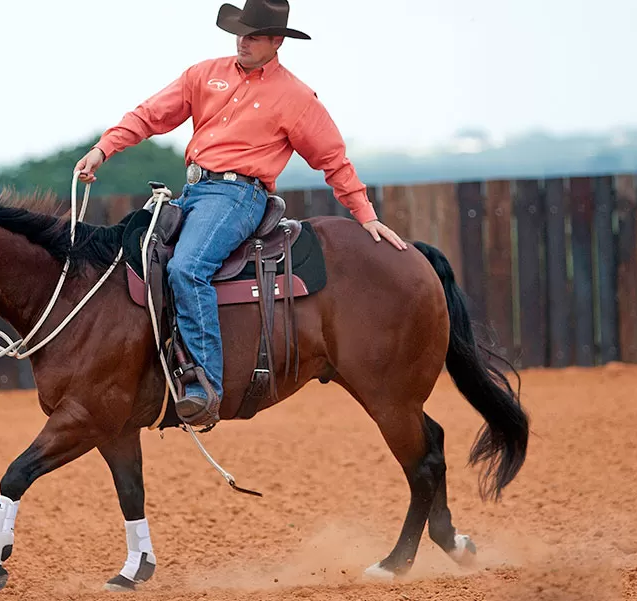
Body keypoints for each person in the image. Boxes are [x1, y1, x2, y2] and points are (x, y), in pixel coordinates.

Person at [75, 0, 407, 428]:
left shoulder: (296, 98)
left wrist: (365, 215)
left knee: (188, 267)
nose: (242, 41)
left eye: (253, 35)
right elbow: (150, 115)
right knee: (137, 263)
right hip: (192, 190)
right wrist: (104, 148)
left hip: (239, 195)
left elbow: (333, 160)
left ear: (275, 41)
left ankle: (205, 386)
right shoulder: (203, 74)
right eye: (239, 32)